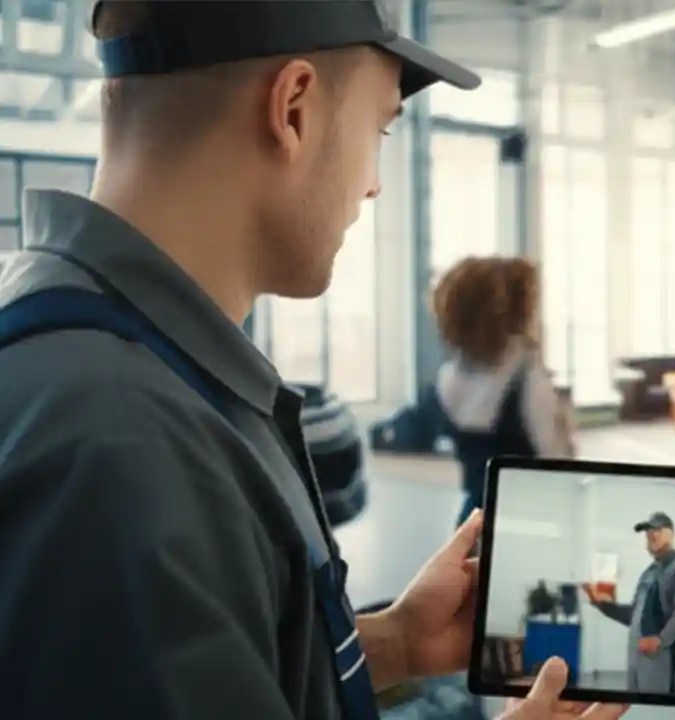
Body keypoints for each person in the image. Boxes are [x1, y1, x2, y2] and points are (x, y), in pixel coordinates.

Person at [0, 3, 621, 719]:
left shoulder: (106, 354)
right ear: (292, 107)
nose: (374, 184)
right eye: (380, 130)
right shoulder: (121, 440)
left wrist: (391, 643)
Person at [433, 256, 576, 526]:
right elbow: (559, 462)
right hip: (529, 518)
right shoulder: (529, 381)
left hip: (472, 521)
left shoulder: (449, 377)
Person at [583, 512, 675, 694]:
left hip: (659, 657)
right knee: (635, 705)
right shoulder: (649, 572)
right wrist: (603, 605)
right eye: (647, 533)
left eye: (656, 531)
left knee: (656, 706)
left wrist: (660, 640)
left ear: (670, 534)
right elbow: (634, 615)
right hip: (636, 657)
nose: (650, 536)